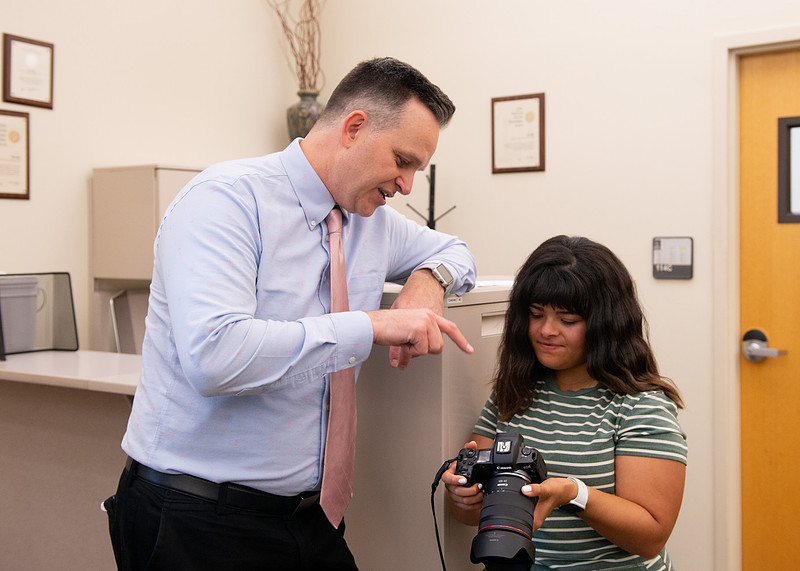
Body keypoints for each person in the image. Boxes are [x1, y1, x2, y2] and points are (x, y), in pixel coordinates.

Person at [105, 57, 477, 570]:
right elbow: (216, 357)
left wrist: (428, 282)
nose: (407, 186)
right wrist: (371, 325)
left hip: (310, 519)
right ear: (353, 128)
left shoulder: (372, 224)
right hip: (196, 519)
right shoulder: (226, 201)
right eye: (403, 160)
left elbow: (457, 251)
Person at [443, 235, 686, 570]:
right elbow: (468, 515)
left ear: (606, 325)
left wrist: (574, 494)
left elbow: (650, 537)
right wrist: (462, 495)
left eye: (567, 320)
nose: (546, 330)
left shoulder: (640, 406)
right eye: (536, 314)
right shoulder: (513, 394)